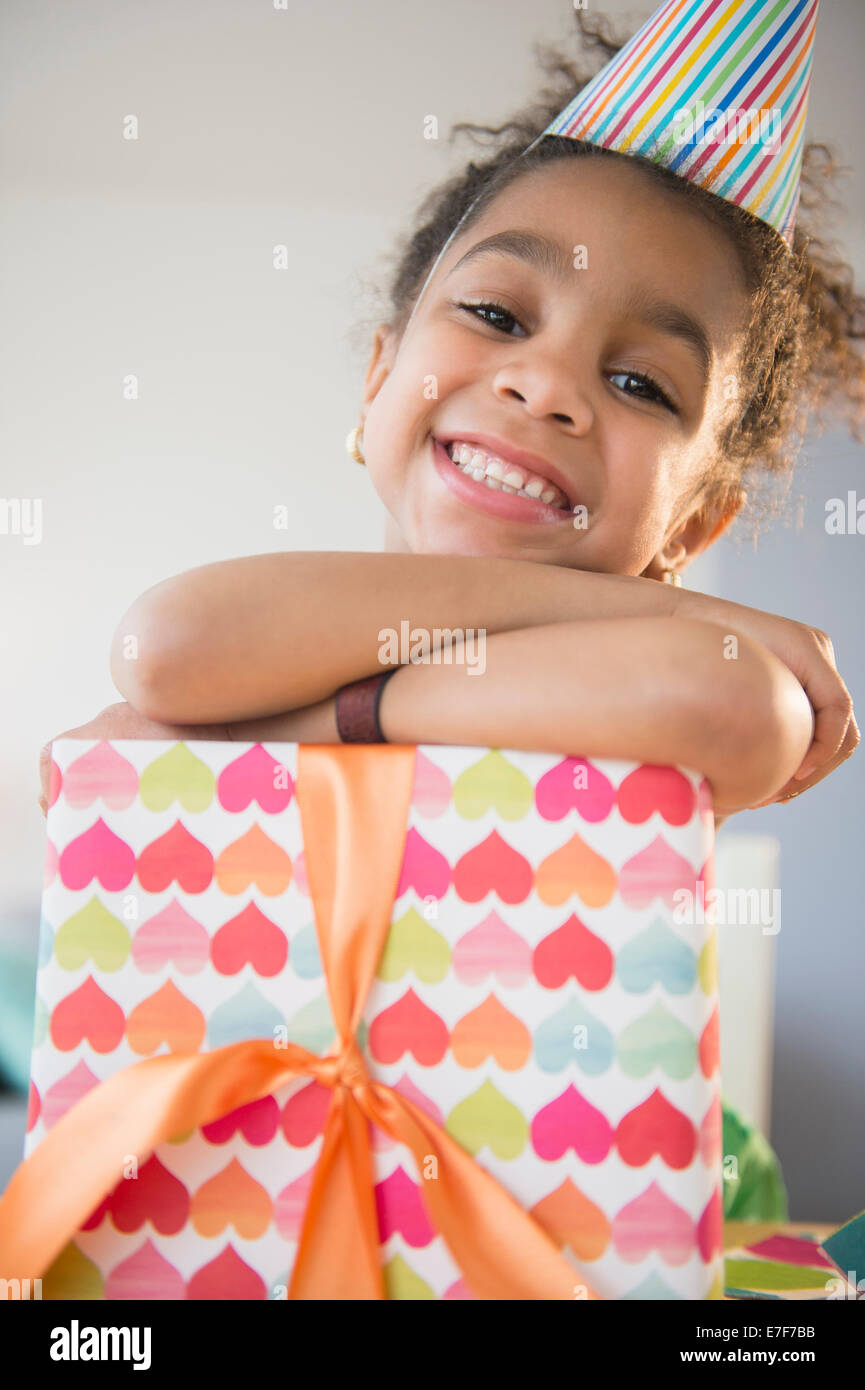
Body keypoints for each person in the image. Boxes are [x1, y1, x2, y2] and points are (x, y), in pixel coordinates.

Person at [38, 6, 862, 1226]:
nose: (545, 385)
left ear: (692, 529)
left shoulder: (685, 681)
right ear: (379, 381)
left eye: (639, 384)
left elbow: (730, 701)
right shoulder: (241, 630)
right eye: (496, 315)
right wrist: (575, 591)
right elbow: (166, 646)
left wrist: (263, 738)